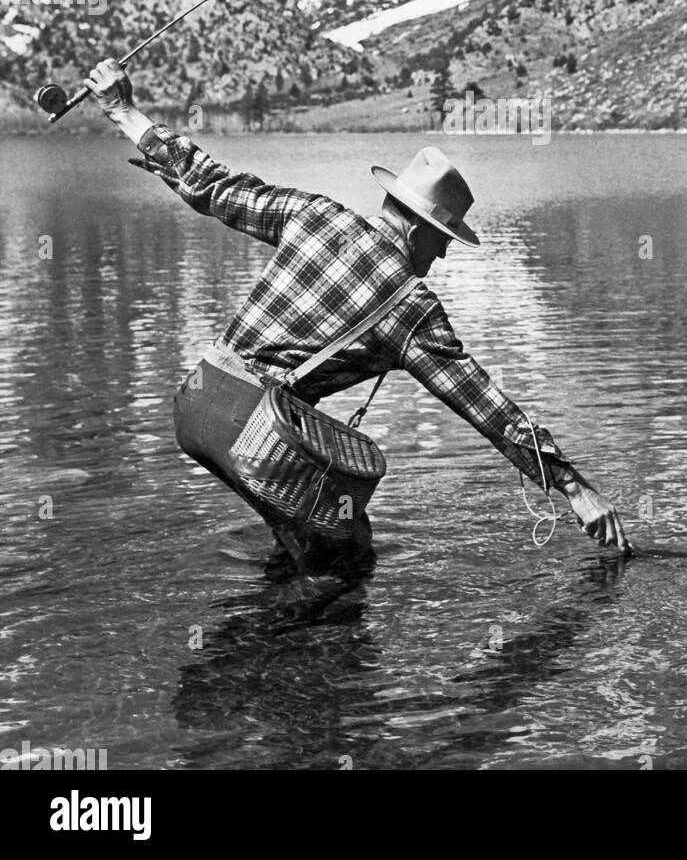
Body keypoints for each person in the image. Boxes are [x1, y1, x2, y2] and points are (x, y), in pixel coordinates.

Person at [84, 58, 631, 558]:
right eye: (442, 238)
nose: (440, 255)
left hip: (197, 401)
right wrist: (574, 489)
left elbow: (211, 185)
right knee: (347, 547)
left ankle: (276, 627)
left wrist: (122, 109)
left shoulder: (315, 214)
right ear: (419, 226)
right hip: (252, 430)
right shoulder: (411, 309)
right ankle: (307, 643)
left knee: (311, 529)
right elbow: (488, 409)